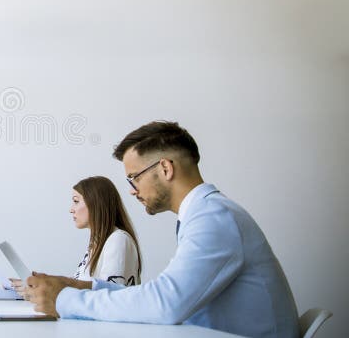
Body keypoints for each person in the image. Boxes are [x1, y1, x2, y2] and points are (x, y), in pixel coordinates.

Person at [25, 121, 299, 338]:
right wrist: (85, 286)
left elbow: (165, 303)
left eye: (134, 178)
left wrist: (65, 300)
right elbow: (165, 294)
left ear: (166, 168)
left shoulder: (214, 218)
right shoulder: (206, 214)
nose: (132, 191)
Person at [11, 176, 141, 295]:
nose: (71, 209)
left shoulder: (118, 239)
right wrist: (44, 284)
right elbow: (81, 288)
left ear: (95, 203)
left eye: (76, 201)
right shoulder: (97, 243)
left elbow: (108, 295)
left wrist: (50, 288)